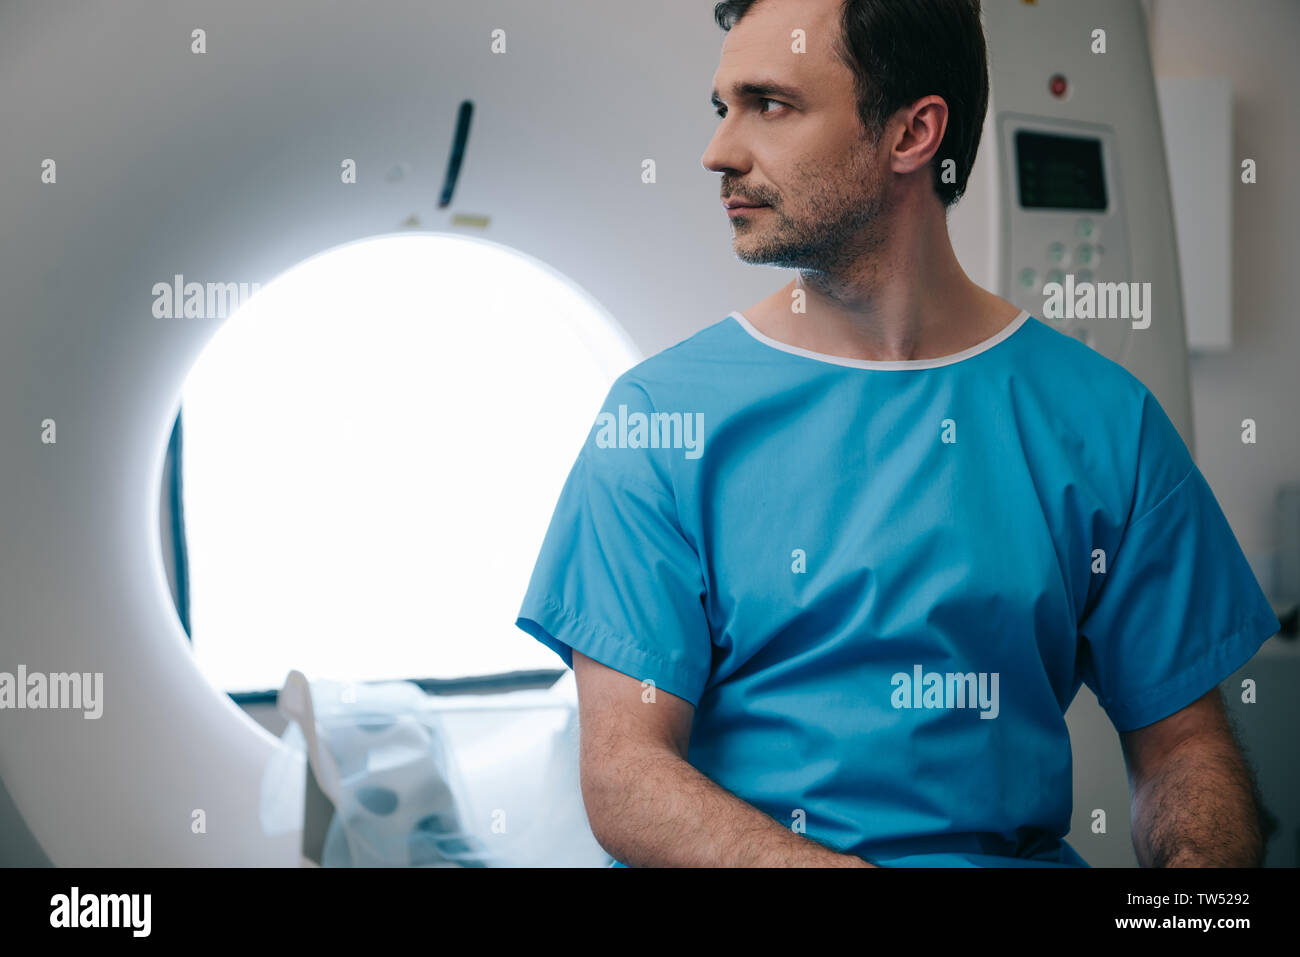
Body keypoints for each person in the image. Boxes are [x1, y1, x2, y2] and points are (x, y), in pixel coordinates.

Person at [515, 0, 1279, 867]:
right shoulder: (661, 420)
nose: (719, 151)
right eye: (722, 108)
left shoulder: (1105, 422)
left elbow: (1184, 745)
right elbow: (625, 771)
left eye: (769, 105)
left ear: (913, 134)